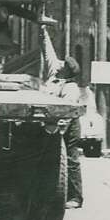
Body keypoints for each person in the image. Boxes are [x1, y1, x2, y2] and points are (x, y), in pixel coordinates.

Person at [43, 56, 85, 209]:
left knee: (71, 159)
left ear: (67, 70)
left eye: (63, 64)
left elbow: (66, 112)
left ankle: (76, 197)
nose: (60, 65)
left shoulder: (70, 88)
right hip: (62, 125)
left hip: (70, 126)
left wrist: (58, 132)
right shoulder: (58, 82)